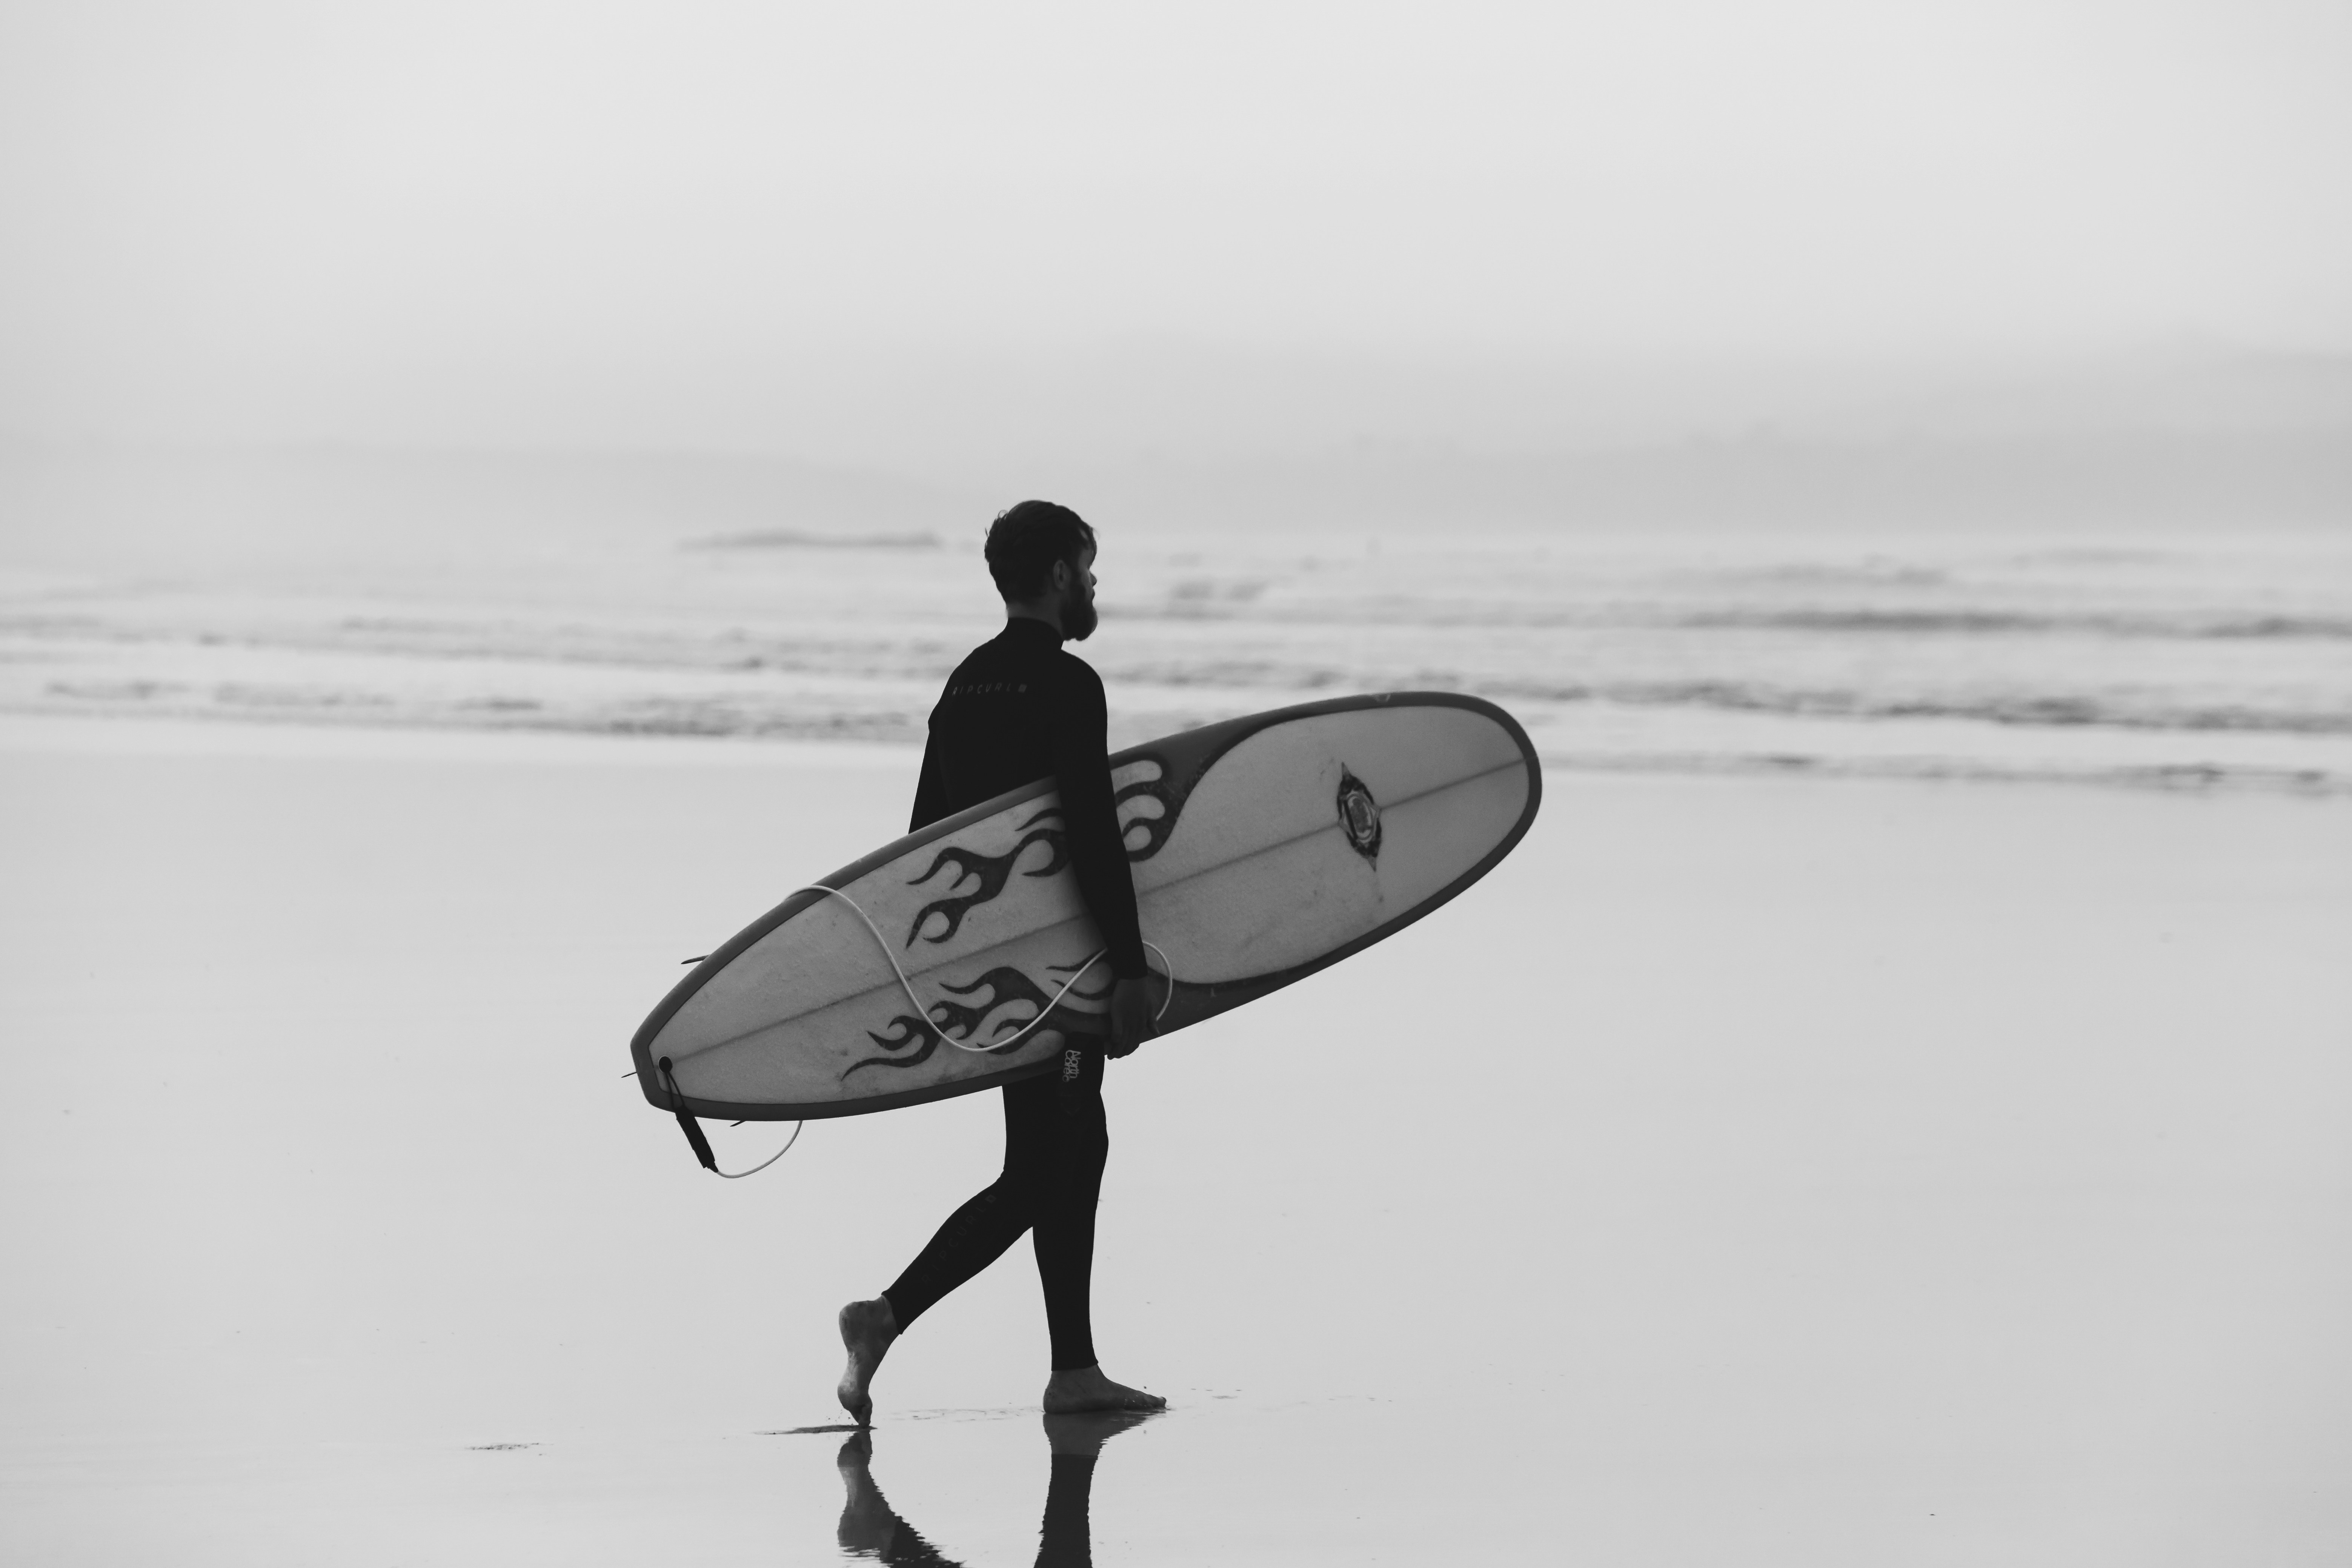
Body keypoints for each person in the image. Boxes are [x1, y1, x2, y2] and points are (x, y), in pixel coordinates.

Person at [836, 500, 1166, 1423]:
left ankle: (1074, 1369)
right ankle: (886, 1316)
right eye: (1089, 566)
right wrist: (1131, 966)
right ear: (1059, 573)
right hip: (1065, 974)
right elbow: (1094, 833)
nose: (1095, 584)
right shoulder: (1070, 684)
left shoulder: (966, 682)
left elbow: (920, 844)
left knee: (1062, 1146)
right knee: (1055, 1158)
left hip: (994, 980)